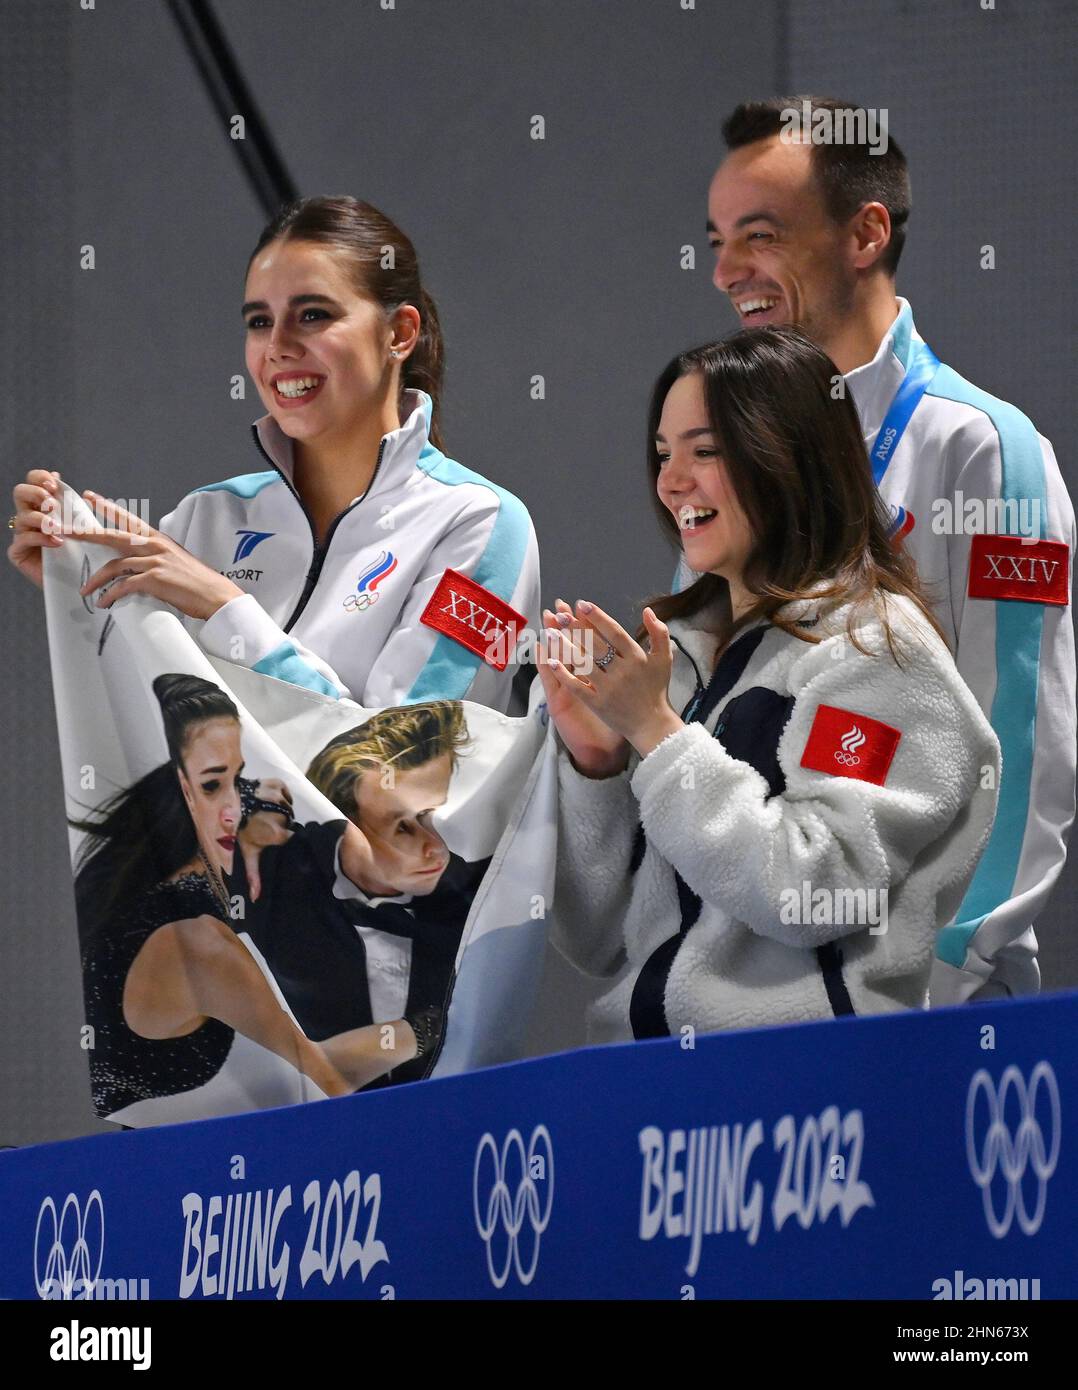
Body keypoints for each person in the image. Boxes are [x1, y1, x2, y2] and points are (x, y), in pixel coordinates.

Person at [700, 96, 1075, 1004]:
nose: (725, 272)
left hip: (925, 1004)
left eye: (758, 236)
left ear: (865, 234)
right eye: (716, 241)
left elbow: (1024, 746)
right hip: (753, 990)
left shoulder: (982, 447)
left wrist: (941, 967)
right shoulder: (733, 457)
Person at [538, 328, 1000, 1043]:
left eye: (705, 451)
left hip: (803, 1098)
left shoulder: (878, 650)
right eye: (664, 455)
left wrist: (657, 734)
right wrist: (595, 765)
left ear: (791, 454)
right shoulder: (687, 656)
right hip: (647, 1089)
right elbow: (597, 943)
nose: (671, 481)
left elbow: (820, 892)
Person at [8, 196, 541, 712]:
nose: (278, 346)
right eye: (259, 321)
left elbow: (403, 770)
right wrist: (76, 596)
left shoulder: (484, 523)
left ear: (399, 333)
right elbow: (147, 741)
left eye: (312, 314)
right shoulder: (205, 518)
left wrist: (223, 608)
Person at [71, 673, 430, 1120]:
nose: (232, 809)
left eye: (236, 779)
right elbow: (325, 1084)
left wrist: (422, 1028)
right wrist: (440, 1030)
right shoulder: (200, 942)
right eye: (211, 784)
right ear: (181, 786)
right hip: (192, 1176)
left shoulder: (173, 888)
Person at [230, 701, 489, 1089]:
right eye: (404, 826)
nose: (437, 847)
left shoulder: (485, 889)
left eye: (438, 816)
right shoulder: (265, 873)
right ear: (342, 818)